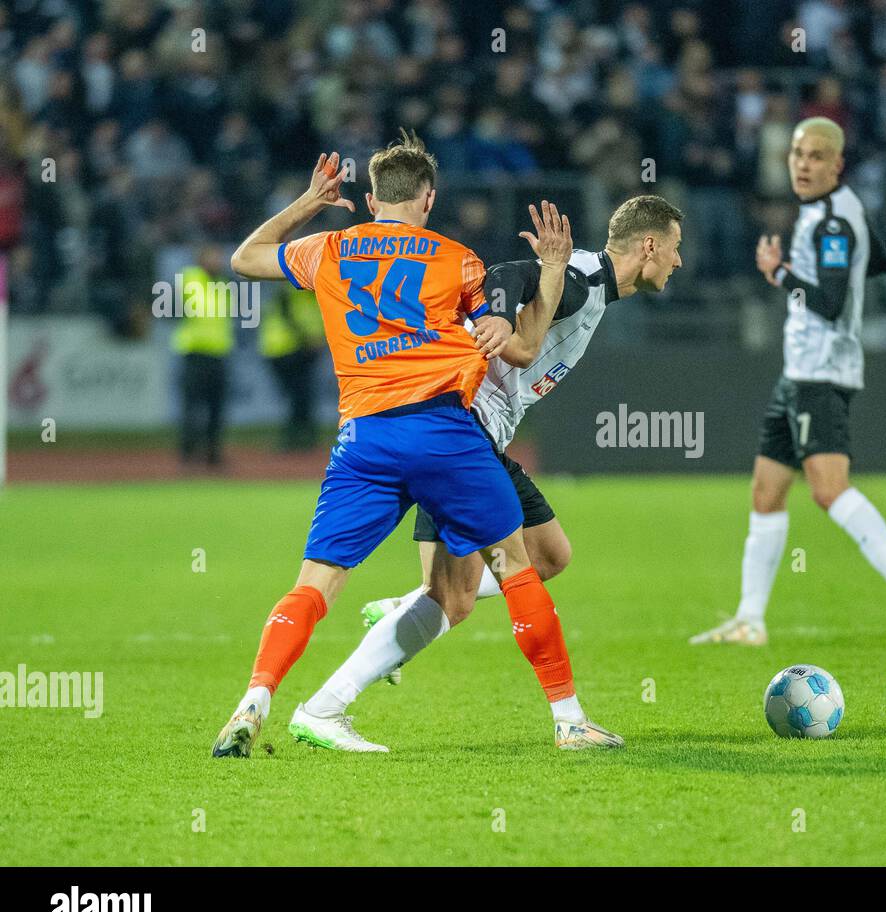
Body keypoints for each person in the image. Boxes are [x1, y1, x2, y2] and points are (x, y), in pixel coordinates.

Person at [211, 131, 621, 757]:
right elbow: (525, 348)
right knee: (515, 565)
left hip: (362, 440)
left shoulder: (329, 249)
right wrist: (554, 269)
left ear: (372, 199)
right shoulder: (458, 261)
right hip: (442, 433)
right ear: (428, 199)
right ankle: (569, 721)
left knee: (315, 584)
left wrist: (310, 201)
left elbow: (245, 257)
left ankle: (254, 699)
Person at [291, 194, 684, 751]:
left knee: (547, 557)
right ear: (649, 246)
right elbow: (508, 273)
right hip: (460, 434)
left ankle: (385, 631)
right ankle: (566, 721)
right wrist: (498, 312)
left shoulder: (592, 288)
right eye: (674, 248)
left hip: (475, 433)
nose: (678, 261)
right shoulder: (583, 279)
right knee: (460, 594)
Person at [686, 117, 886, 649]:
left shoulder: (829, 223)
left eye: (816, 156)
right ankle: (750, 620)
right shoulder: (842, 211)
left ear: (837, 164)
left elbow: (827, 304)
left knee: (827, 491)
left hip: (822, 370)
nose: (803, 164)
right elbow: (881, 260)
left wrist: (780, 274)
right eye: (798, 153)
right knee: (767, 490)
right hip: (800, 370)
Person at [173, 244, 234, 469]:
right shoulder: (189, 279)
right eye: (212, 256)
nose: (217, 261)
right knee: (192, 408)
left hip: (219, 353)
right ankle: (187, 456)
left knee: (217, 409)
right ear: (201, 259)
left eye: (218, 256)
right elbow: (172, 306)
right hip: (195, 353)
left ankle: (213, 456)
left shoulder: (224, 283)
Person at [259, 285, 326, 449]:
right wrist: (308, 339)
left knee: (302, 395)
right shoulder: (292, 290)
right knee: (300, 394)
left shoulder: (314, 295)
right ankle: (297, 437)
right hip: (285, 349)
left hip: (298, 350)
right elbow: (288, 316)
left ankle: (301, 437)